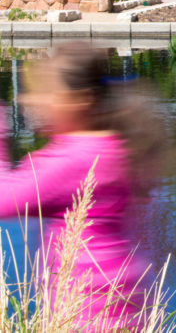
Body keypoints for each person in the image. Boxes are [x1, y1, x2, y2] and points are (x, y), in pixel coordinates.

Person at [0, 42, 165, 331]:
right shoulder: (118, 146)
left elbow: (4, 200)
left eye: (46, 92)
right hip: (127, 302)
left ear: (79, 101)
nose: (30, 100)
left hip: (86, 313)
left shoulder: (71, 160)